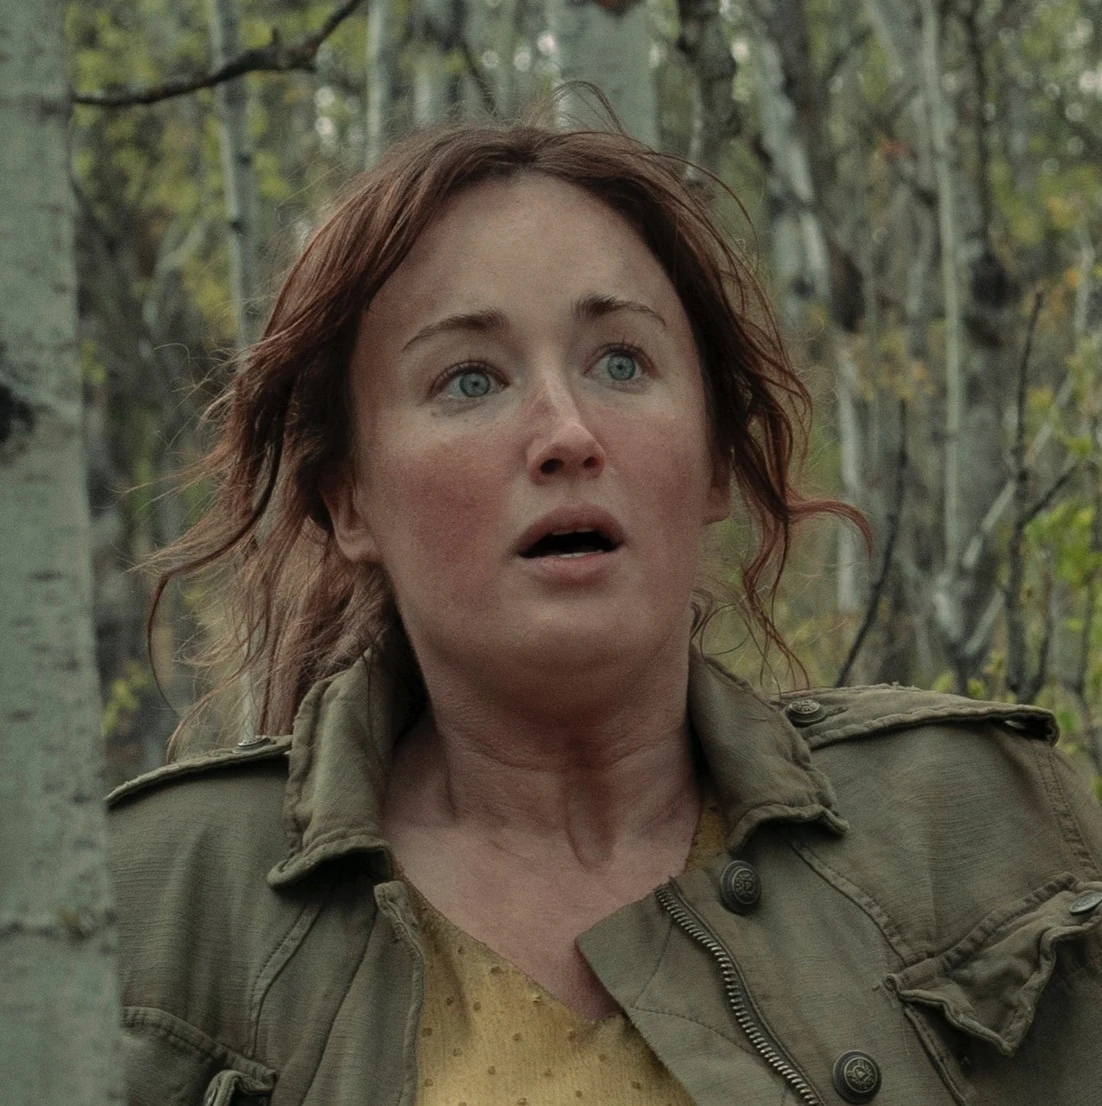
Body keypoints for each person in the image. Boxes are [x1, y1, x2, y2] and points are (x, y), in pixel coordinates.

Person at [107, 108, 1102, 1106]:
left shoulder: (974, 823)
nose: (567, 433)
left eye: (621, 362)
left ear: (715, 460)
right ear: (349, 501)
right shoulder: (159, 902)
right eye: (469, 379)